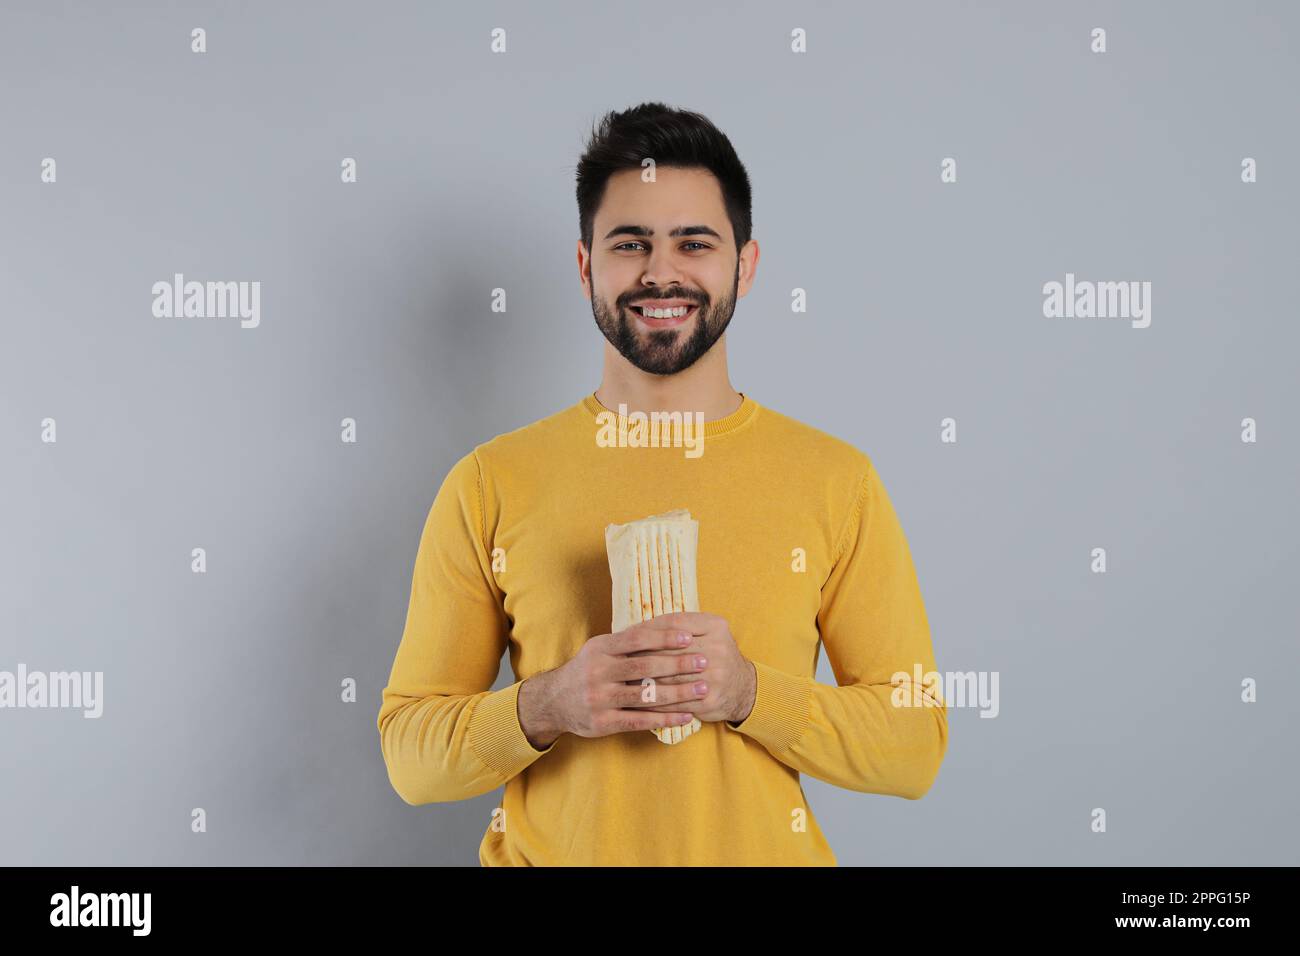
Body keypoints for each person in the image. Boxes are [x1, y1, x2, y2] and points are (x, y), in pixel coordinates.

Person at [377, 102, 947, 866]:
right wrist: (547, 705)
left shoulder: (836, 480)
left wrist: (749, 694)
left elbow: (915, 746)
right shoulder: (489, 483)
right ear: (586, 265)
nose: (660, 272)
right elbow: (410, 759)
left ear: (744, 264)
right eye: (630, 244)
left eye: (694, 243)